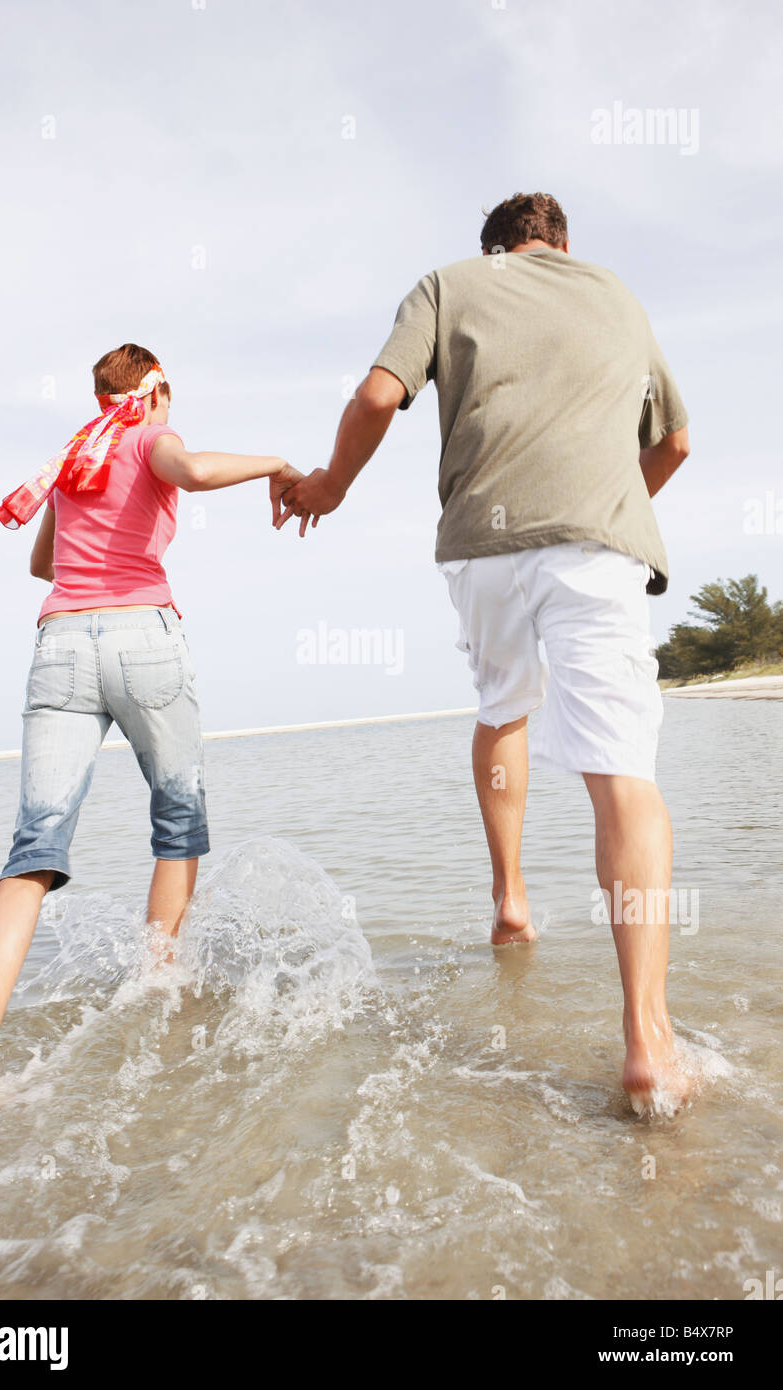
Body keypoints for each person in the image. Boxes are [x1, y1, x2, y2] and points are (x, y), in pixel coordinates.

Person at [275, 193, 692, 1110]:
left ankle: (511, 900)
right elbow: (674, 440)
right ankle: (649, 1042)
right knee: (622, 771)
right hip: (596, 543)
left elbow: (377, 396)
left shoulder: (447, 284)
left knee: (504, 706)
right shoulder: (616, 295)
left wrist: (330, 488)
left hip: (483, 547)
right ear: (563, 245)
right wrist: (618, 503)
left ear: (494, 248)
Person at [0, 343, 305, 1101]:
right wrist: (277, 462)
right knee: (177, 824)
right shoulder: (147, 434)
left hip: (62, 646)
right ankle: (158, 982)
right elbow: (196, 471)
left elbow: (44, 565)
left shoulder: (77, 454)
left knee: (33, 849)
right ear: (157, 391)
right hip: (143, 639)